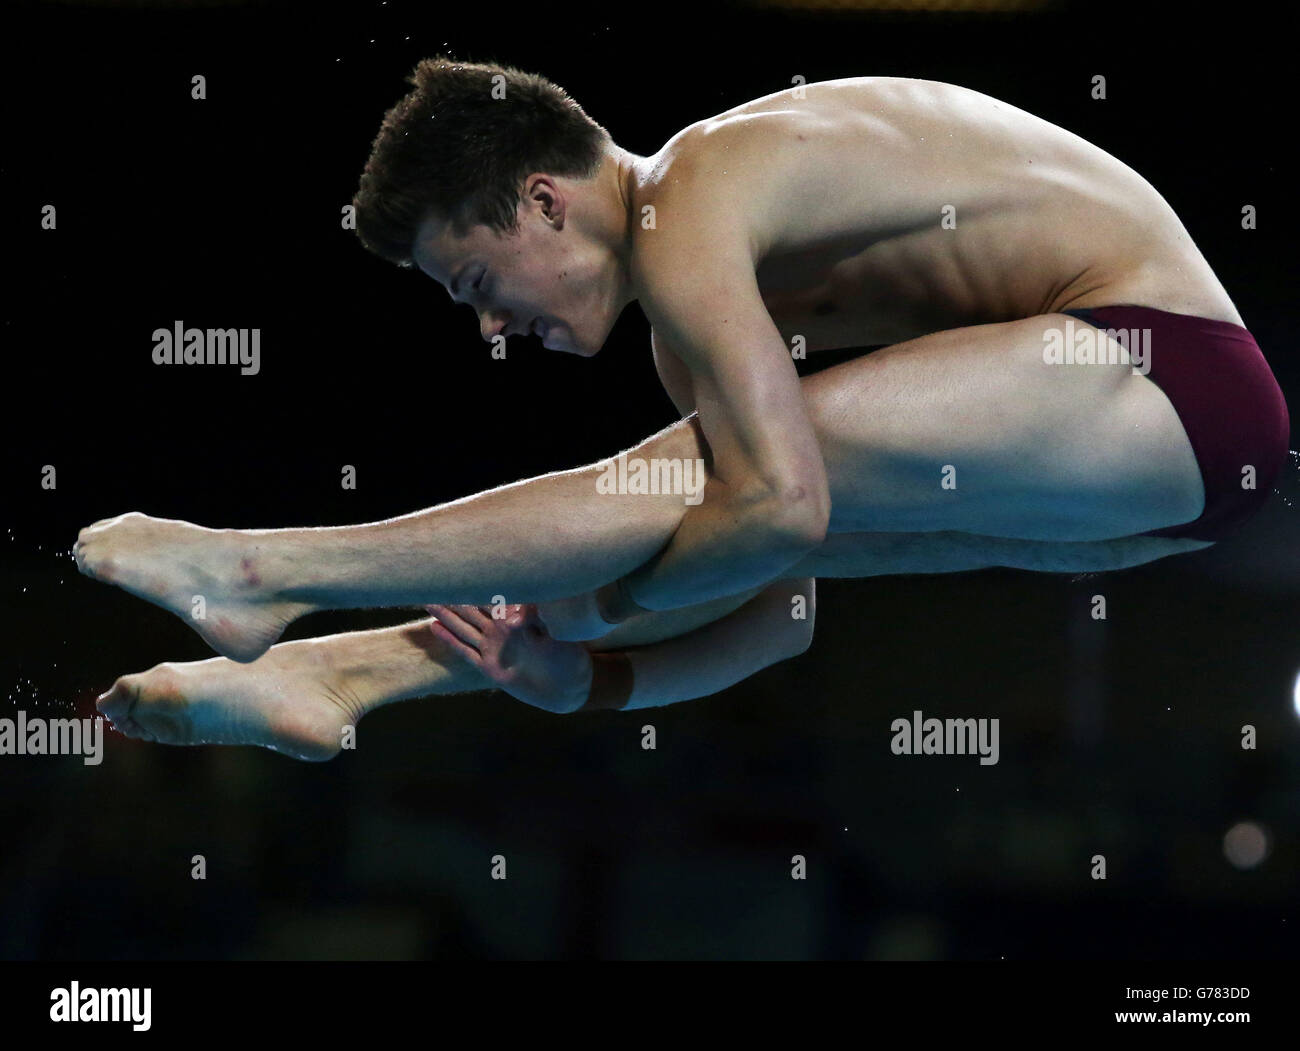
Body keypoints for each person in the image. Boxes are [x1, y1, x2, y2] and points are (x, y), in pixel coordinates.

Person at [76, 59, 1288, 758]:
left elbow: (777, 506)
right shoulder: (693, 333)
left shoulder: (697, 191)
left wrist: (602, 607)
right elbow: (779, 609)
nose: (492, 329)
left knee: (688, 490)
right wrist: (594, 684)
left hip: (1162, 371)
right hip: (1166, 498)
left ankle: (261, 569)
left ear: (546, 202)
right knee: (691, 501)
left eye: (476, 283)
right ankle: (347, 676)